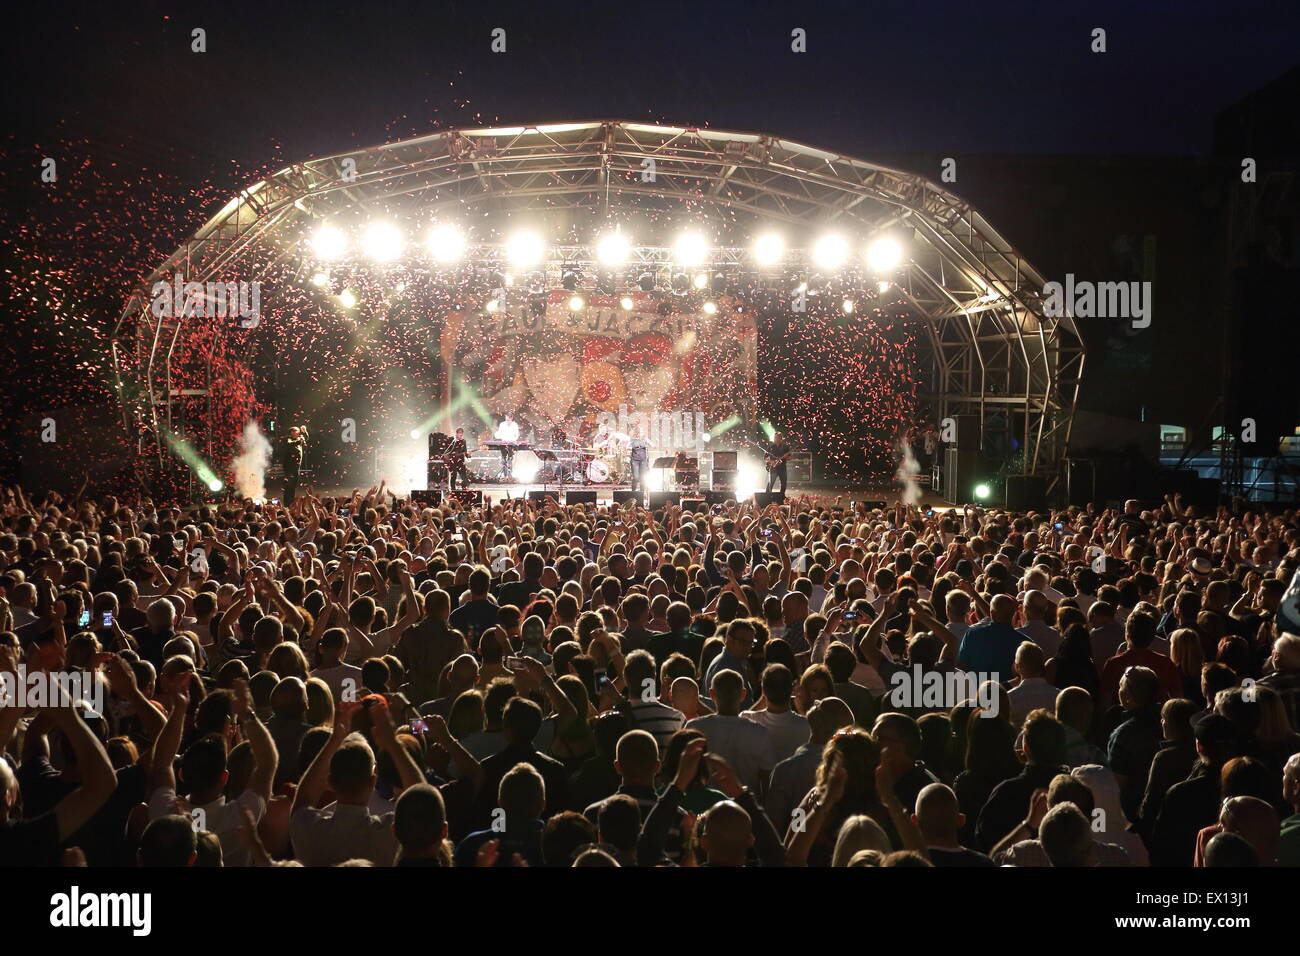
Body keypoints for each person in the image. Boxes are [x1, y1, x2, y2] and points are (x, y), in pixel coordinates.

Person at [283, 425, 307, 505]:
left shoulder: (298, 439)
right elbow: (291, 444)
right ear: (292, 432)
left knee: (294, 484)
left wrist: (305, 432)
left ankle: (291, 501)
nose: (299, 432)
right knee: (288, 485)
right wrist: (300, 440)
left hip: (296, 466)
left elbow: (305, 438)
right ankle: (287, 503)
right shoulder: (288, 439)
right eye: (297, 431)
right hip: (289, 466)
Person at [763, 431, 791, 496]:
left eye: (777, 437)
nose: (776, 439)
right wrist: (771, 462)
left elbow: (789, 458)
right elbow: (765, 458)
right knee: (770, 483)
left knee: (783, 483)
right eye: (775, 437)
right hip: (773, 468)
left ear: (781, 438)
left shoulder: (785, 447)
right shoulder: (770, 447)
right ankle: (767, 496)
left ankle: (781, 496)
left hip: (782, 468)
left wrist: (786, 457)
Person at [495, 413, 521, 478]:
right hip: (503, 443)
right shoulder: (502, 424)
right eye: (506, 419)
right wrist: (497, 434)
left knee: (510, 459)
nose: (507, 421)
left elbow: (516, 435)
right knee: (504, 459)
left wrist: (512, 440)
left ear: (511, 418)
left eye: (508, 420)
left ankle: (510, 475)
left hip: (511, 444)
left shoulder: (515, 425)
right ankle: (505, 475)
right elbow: (499, 434)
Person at [628, 425, 649, 496]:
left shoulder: (645, 439)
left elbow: (653, 445)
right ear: (637, 433)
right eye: (640, 432)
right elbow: (627, 447)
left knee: (643, 477)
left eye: (642, 432)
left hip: (643, 460)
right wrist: (635, 446)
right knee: (636, 477)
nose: (641, 433)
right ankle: (633, 492)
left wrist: (646, 444)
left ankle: (642, 493)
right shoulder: (633, 439)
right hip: (635, 460)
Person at [447, 427, 469, 491]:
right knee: (454, 475)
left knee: (464, 477)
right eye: (459, 433)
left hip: (461, 462)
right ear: (456, 434)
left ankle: (464, 489)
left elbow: (465, 451)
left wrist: (468, 455)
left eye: (462, 433)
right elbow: (449, 451)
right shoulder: (452, 441)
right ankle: (453, 489)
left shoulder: (463, 441)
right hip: (453, 462)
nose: (461, 435)